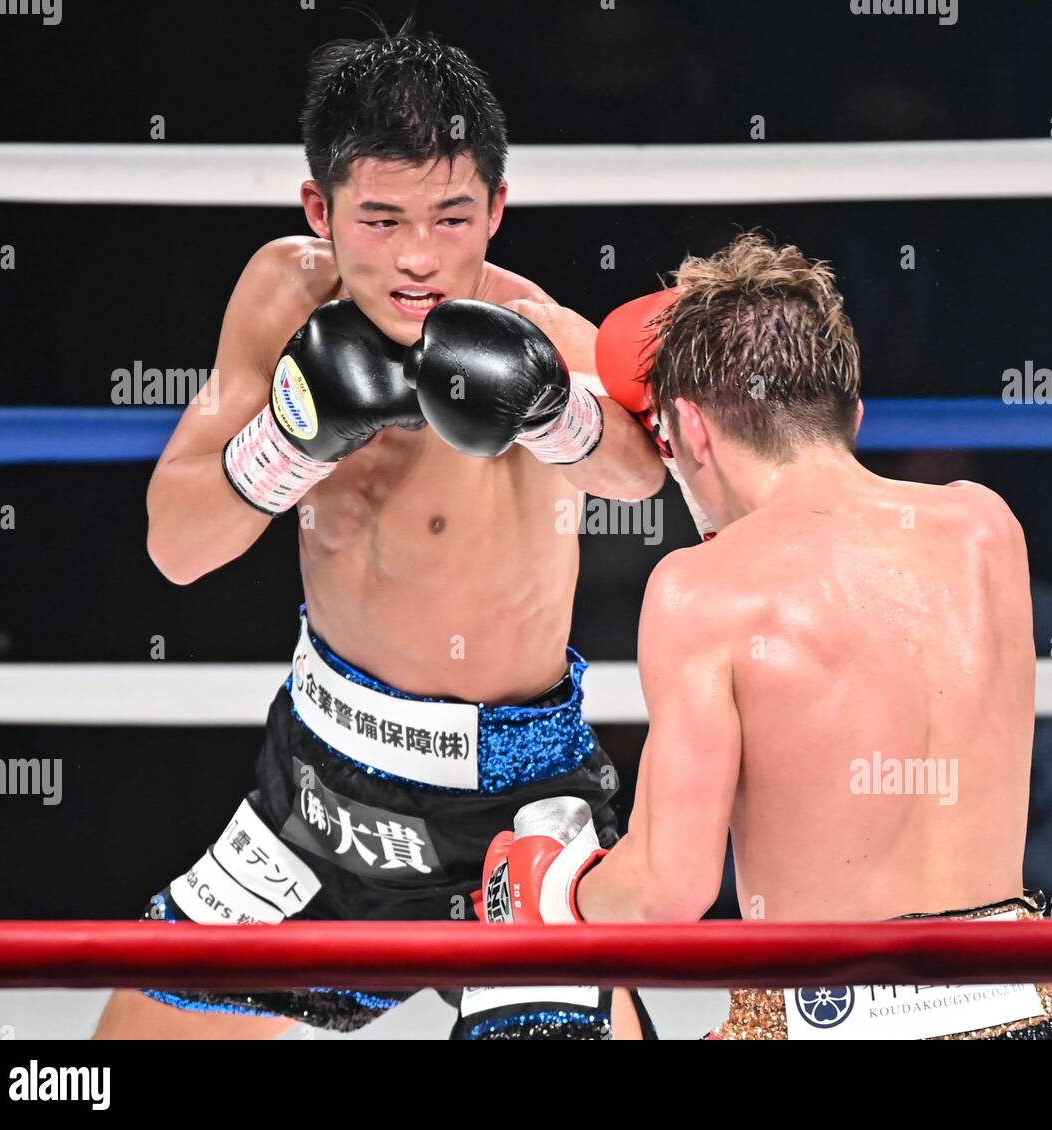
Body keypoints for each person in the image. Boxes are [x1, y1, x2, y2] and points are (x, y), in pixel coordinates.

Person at [93, 21, 666, 1041]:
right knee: (110, 1057)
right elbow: (176, 546)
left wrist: (548, 410)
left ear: (496, 206)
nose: (418, 258)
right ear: (320, 208)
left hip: (510, 802)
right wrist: (290, 441)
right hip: (316, 787)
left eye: (451, 217)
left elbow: (632, 473)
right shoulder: (282, 294)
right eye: (381, 218)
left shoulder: (537, 334)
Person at [483, 232, 1052, 1040]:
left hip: (823, 1022)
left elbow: (667, 890)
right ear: (853, 413)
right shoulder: (984, 528)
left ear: (692, 433)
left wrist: (551, 892)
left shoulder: (703, 588)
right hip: (1027, 1012)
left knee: (524, 1006)